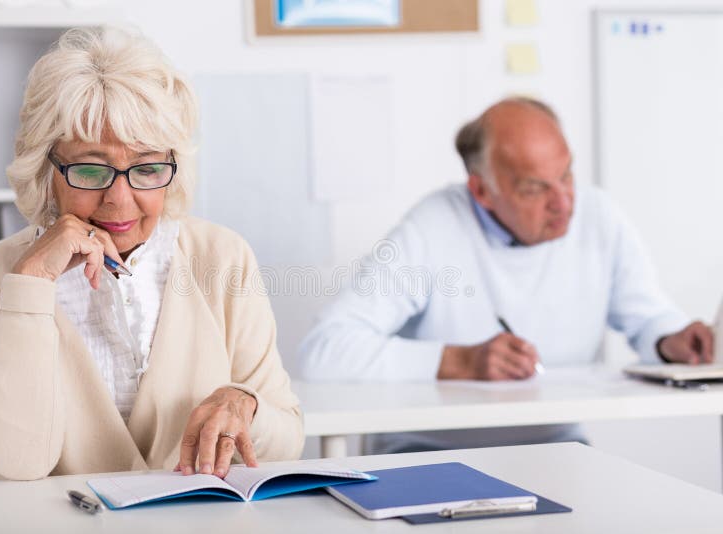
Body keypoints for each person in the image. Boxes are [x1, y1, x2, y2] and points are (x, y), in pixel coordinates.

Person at [0, 27, 303, 481]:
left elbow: (287, 442)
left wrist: (246, 405)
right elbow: (18, 461)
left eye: (148, 167)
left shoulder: (223, 257)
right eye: (92, 170)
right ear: (46, 168)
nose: (119, 199)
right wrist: (32, 283)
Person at [298, 97, 713, 452]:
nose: (564, 202)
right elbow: (324, 351)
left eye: (566, 175)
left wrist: (669, 339)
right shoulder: (434, 225)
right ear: (481, 191)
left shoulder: (599, 216)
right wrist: (458, 360)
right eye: (535, 189)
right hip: (427, 452)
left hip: (555, 448)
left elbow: (647, 317)